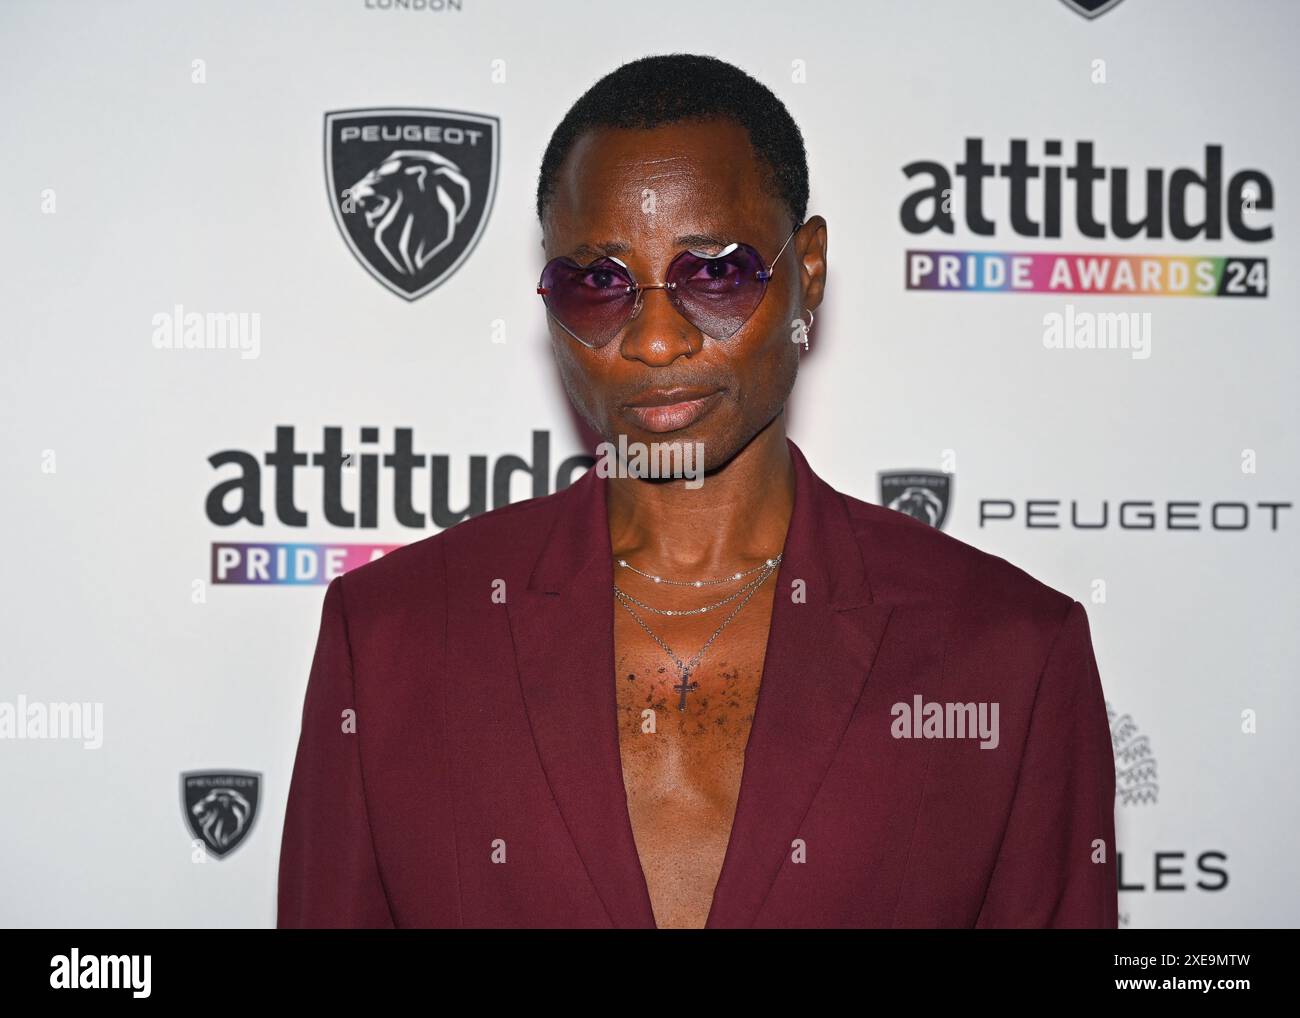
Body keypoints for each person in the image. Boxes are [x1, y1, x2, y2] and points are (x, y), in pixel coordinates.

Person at [277, 53, 1117, 929]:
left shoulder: (1009, 651)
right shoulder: (390, 639)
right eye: (599, 282)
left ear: (811, 271)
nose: (656, 340)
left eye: (715, 272)